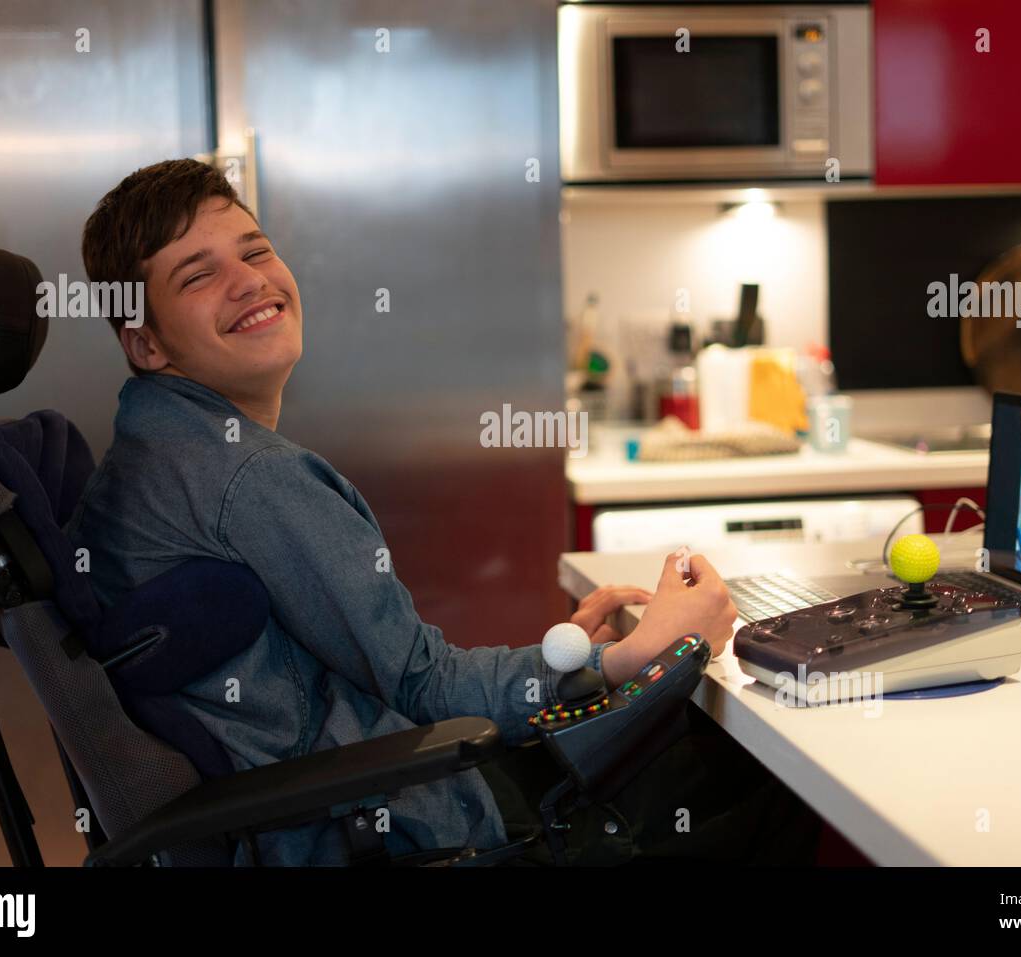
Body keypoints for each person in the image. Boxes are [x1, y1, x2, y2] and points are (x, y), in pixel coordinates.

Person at [67, 158, 821, 865]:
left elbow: (385, 677)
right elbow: (425, 686)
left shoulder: (157, 452)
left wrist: (563, 659)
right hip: (395, 832)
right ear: (147, 342)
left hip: (341, 800)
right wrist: (626, 657)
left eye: (255, 252)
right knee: (771, 778)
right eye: (198, 275)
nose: (247, 281)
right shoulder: (251, 479)